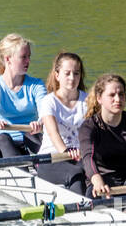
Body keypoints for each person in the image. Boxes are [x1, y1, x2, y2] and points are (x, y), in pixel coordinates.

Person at [78, 74, 126, 198]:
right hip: (102, 178)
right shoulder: (89, 127)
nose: (118, 99)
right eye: (112, 95)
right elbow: (88, 157)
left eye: (121, 94)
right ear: (99, 98)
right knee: (94, 193)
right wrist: (97, 180)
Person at [0, 34, 47, 158]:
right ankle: (22, 171)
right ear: (8, 59)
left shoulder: (36, 85)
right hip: (3, 143)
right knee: (3, 138)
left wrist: (41, 121)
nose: (28, 61)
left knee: (33, 136)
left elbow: (45, 109)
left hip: (30, 137)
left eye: (29, 57)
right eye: (23, 57)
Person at [34, 52, 89, 194]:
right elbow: (53, 133)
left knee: (96, 173)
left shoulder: (88, 100)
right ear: (57, 75)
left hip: (80, 156)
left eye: (76, 73)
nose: (72, 78)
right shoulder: (49, 101)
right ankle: (83, 210)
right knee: (77, 173)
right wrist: (67, 152)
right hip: (51, 158)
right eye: (67, 73)